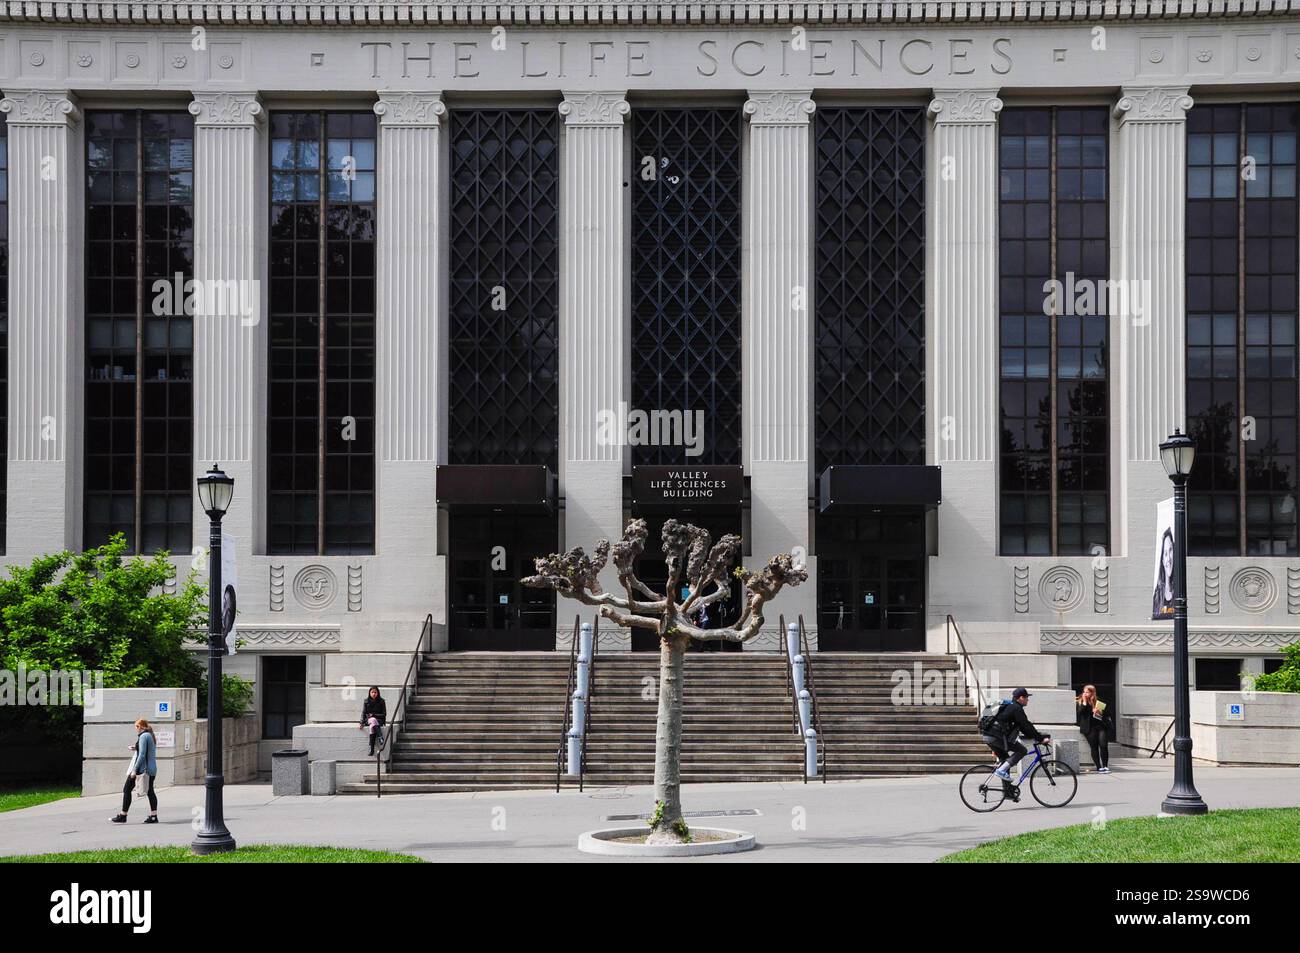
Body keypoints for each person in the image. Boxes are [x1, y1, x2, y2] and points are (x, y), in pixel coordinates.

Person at [983, 688, 1050, 798]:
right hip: (996, 737)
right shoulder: (1016, 708)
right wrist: (1040, 739)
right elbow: (1026, 725)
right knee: (1022, 750)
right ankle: (1001, 771)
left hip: (989, 736)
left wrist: (1035, 736)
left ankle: (1008, 792)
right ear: (1021, 698)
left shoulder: (1010, 707)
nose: (1028, 700)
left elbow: (1023, 728)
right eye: (1027, 697)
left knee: (1006, 761)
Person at [112, 718, 158, 824]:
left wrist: (134, 770)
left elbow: (142, 755)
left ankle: (123, 815)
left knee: (127, 789)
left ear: (140, 727)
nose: (135, 729)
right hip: (151, 769)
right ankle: (154, 816)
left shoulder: (143, 736)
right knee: (150, 791)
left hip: (142, 769)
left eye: (136, 727)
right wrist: (136, 748)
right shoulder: (149, 735)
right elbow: (144, 751)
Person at [1076, 683, 1113, 773]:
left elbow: (1108, 714)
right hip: (1089, 728)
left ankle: (1105, 766)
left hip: (1101, 726)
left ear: (1092, 693)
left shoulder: (1098, 701)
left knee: (1103, 745)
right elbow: (1080, 713)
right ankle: (1098, 766)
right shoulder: (1081, 702)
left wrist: (1100, 712)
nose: (1085, 694)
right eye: (1084, 692)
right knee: (1094, 747)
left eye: (1087, 692)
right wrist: (1084, 702)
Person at [1153, 528, 1175, 618]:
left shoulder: (1180, 591)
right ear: (1162, 560)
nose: (1168, 559)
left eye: (1170, 551)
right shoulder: (1157, 594)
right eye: (1165, 554)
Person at [359, 686, 387, 755]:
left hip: (379, 720)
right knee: (373, 720)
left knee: (372, 725)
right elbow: (363, 712)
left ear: (378, 693)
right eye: (372, 692)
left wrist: (374, 715)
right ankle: (380, 736)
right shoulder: (366, 701)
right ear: (369, 693)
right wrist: (361, 722)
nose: (374, 694)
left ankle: (371, 748)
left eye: (375, 692)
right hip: (368, 720)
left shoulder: (382, 701)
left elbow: (384, 714)